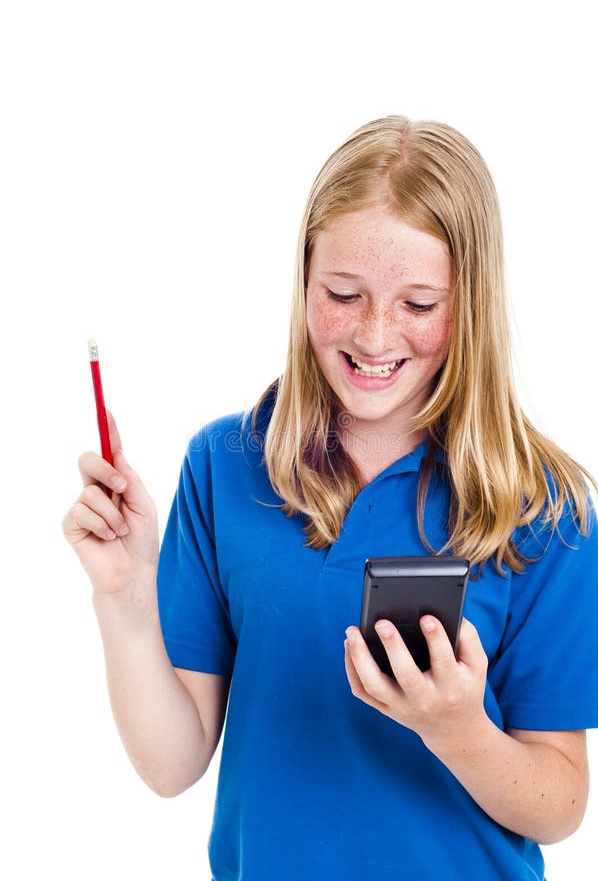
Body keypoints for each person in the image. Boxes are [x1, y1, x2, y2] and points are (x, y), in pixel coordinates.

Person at [63, 115, 598, 880]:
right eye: (344, 294)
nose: (376, 337)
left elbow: (563, 801)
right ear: (304, 280)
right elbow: (171, 765)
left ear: (470, 305)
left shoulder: (548, 508)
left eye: (418, 306)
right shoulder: (225, 466)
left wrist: (456, 729)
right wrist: (123, 598)